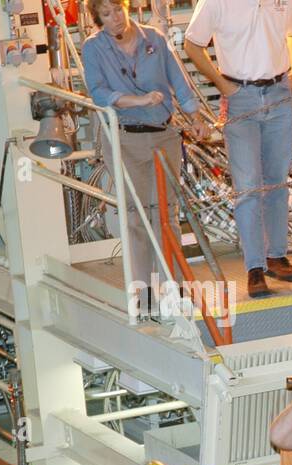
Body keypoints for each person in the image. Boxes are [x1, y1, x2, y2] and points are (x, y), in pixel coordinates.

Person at [80, 0, 210, 313]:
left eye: (117, 11)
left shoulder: (154, 39)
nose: (115, 20)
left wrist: (195, 116)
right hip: (125, 139)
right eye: (106, 15)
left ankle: (173, 287)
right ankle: (144, 295)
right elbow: (98, 92)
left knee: (166, 214)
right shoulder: (94, 48)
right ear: (98, 20)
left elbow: (179, 81)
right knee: (137, 217)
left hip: (163, 136)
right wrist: (136, 100)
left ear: (126, 9)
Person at [184, 0, 292, 300]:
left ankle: (276, 254)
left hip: (278, 93)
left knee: (277, 182)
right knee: (249, 187)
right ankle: (254, 266)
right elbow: (191, 44)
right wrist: (223, 85)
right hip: (240, 96)